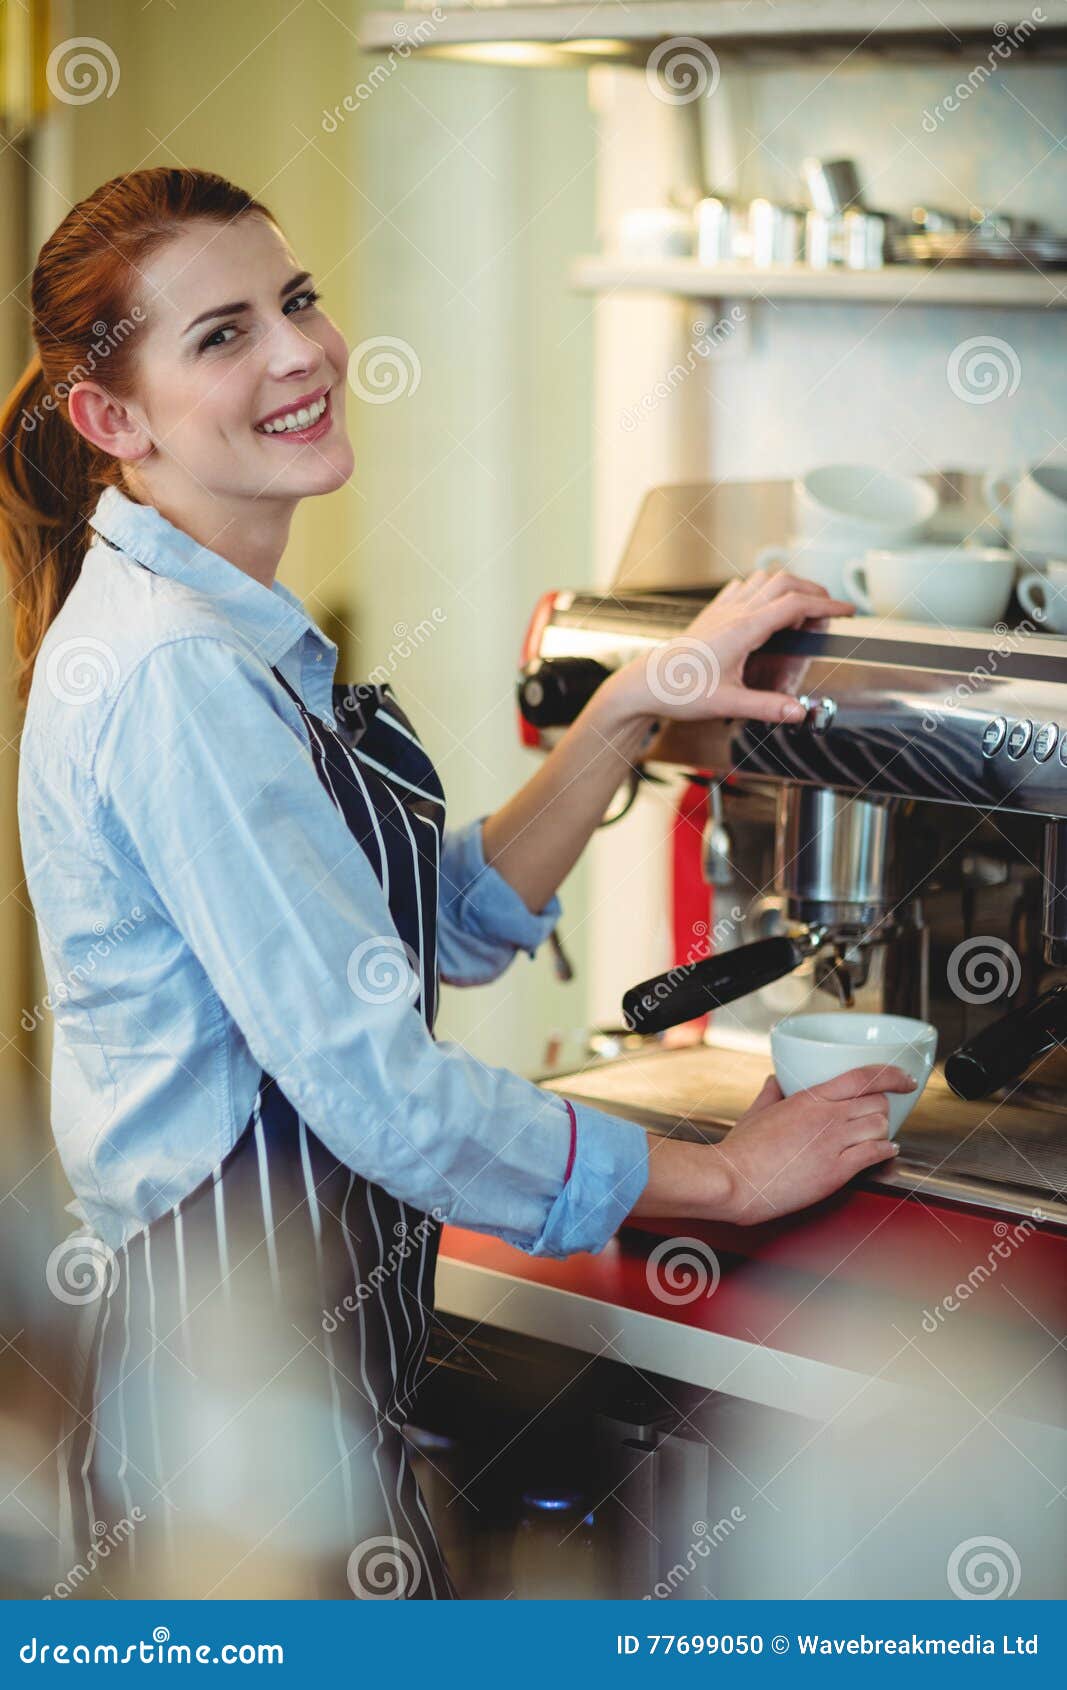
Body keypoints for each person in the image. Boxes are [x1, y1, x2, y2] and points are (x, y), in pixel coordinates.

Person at [0, 168, 912, 1600]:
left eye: (295, 301)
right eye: (223, 333)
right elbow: (381, 1090)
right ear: (112, 421)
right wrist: (725, 1175)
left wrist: (629, 705)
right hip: (225, 1430)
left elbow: (438, 918)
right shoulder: (178, 676)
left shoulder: (217, 631)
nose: (300, 351)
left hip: (297, 1380)